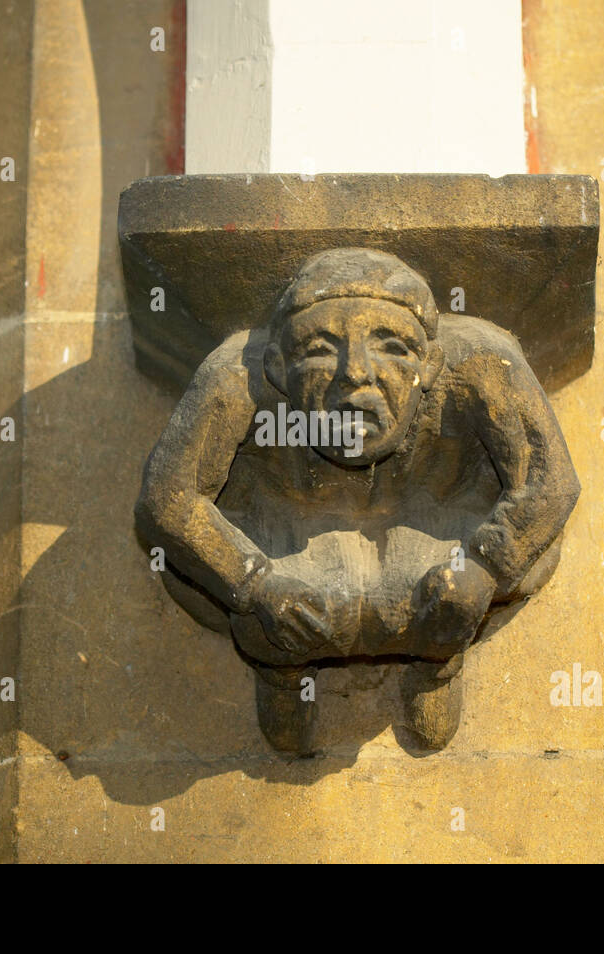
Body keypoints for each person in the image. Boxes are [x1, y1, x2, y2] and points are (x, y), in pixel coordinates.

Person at [136, 247, 580, 751]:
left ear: (431, 364)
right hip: (288, 530)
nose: (356, 373)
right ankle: (285, 670)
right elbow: (168, 500)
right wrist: (254, 585)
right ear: (279, 366)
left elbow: (549, 481)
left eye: (391, 346)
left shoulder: (480, 364)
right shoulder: (235, 377)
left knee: (448, 594)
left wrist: (484, 566)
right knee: (293, 604)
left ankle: (436, 662)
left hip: (430, 526)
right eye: (321, 349)